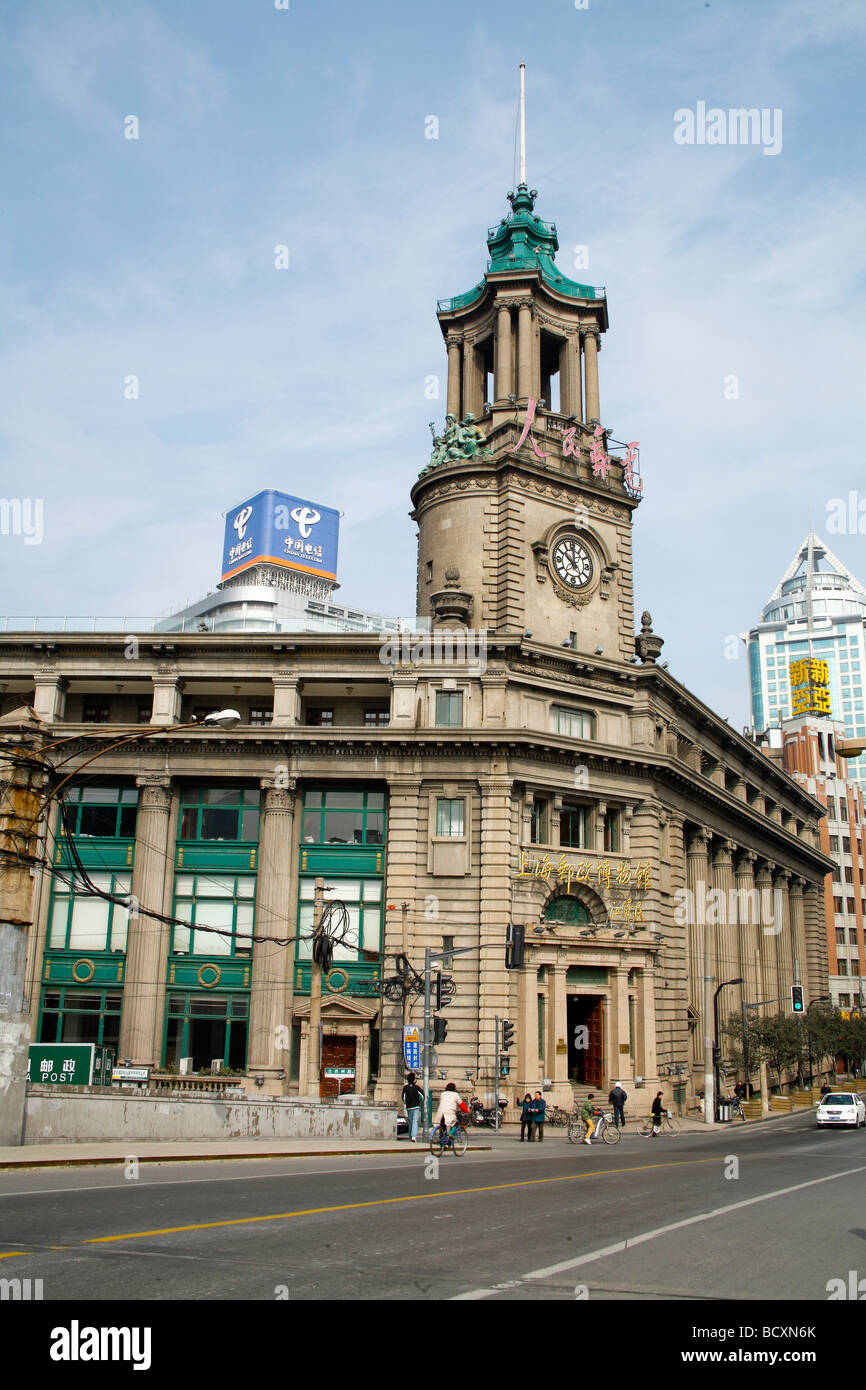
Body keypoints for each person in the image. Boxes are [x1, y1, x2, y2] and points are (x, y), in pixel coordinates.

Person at [402, 1072, 424, 1143]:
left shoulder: (405, 1088)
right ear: (414, 1080)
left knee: (411, 1121)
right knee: (414, 1121)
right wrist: (419, 1102)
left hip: (409, 1107)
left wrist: (406, 1103)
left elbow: (403, 1098)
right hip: (416, 1106)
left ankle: (410, 1136)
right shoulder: (417, 1088)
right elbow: (422, 1097)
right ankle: (414, 1136)